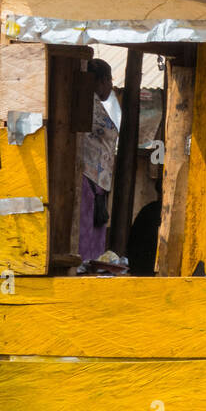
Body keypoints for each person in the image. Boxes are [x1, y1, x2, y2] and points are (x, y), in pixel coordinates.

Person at [79, 59, 120, 263]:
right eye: (110, 80)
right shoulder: (88, 101)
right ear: (102, 80)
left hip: (97, 181)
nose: (111, 86)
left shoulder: (92, 102)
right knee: (86, 233)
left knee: (92, 232)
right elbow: (109, 132)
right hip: (89, 177)